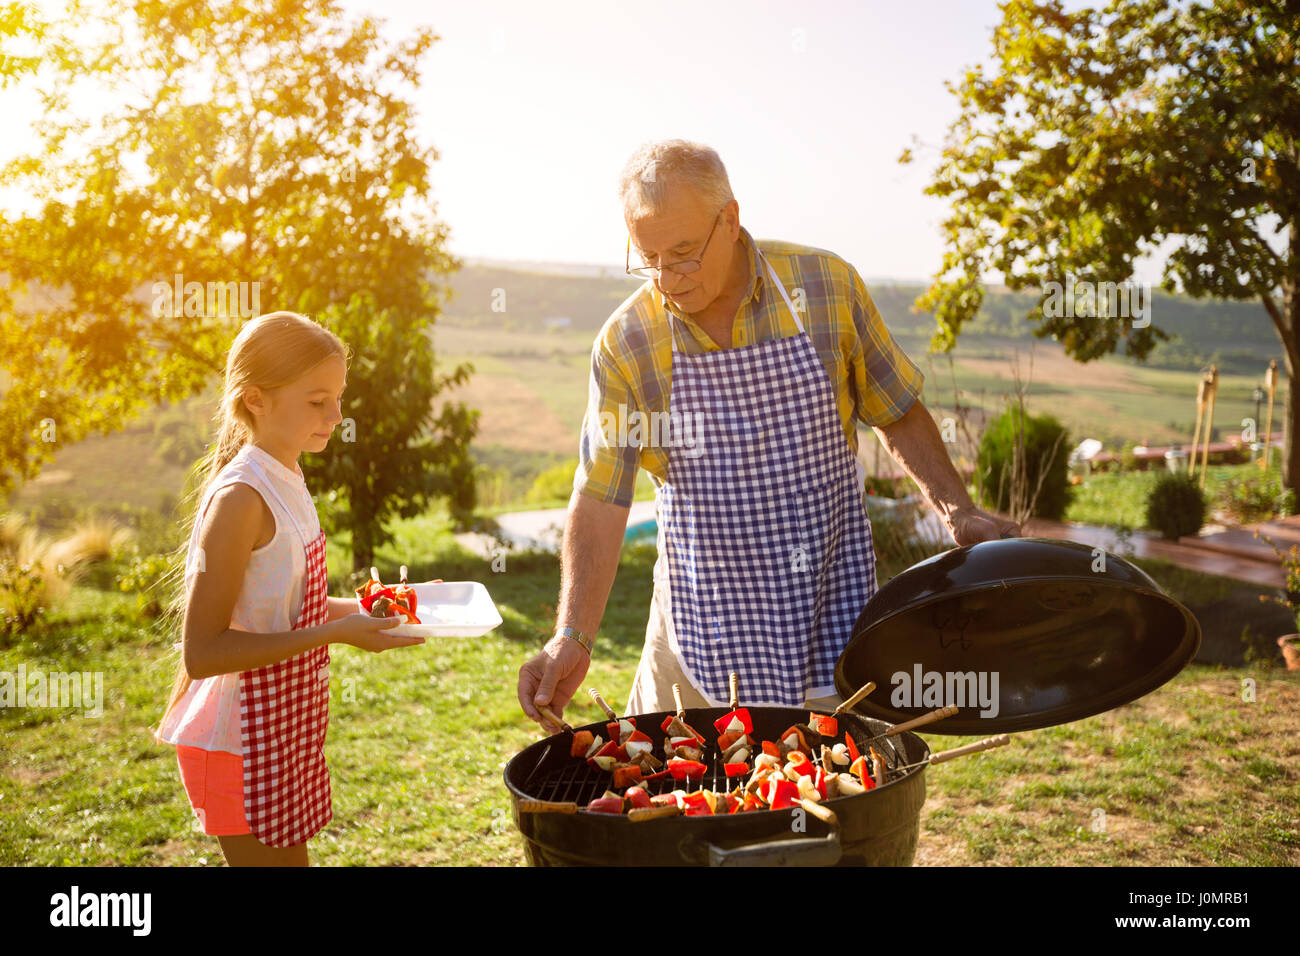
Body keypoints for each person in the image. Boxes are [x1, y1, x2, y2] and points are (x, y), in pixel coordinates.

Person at [517, 140, 1018, 730]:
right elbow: (602, 495)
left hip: (834, 614)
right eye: (647, 258)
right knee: (671, 801)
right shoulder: (628, 342)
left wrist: (956, 509)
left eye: (683, 253)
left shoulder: (824, 287)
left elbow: (896, 409)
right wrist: (570, 635)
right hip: (696, 632)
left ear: (729, 219)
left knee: (834, 796)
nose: (667, 279)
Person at [155, 311, 424, 866]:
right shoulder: (239, 501)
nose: (336, 414)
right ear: (256, 399)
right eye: (316, 400)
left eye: (339, 397)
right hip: (238, 741)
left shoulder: (288, 475)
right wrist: (339, 634)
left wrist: (383, 609)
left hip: (280, 732)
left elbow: (284, 608)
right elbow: (203, 653)